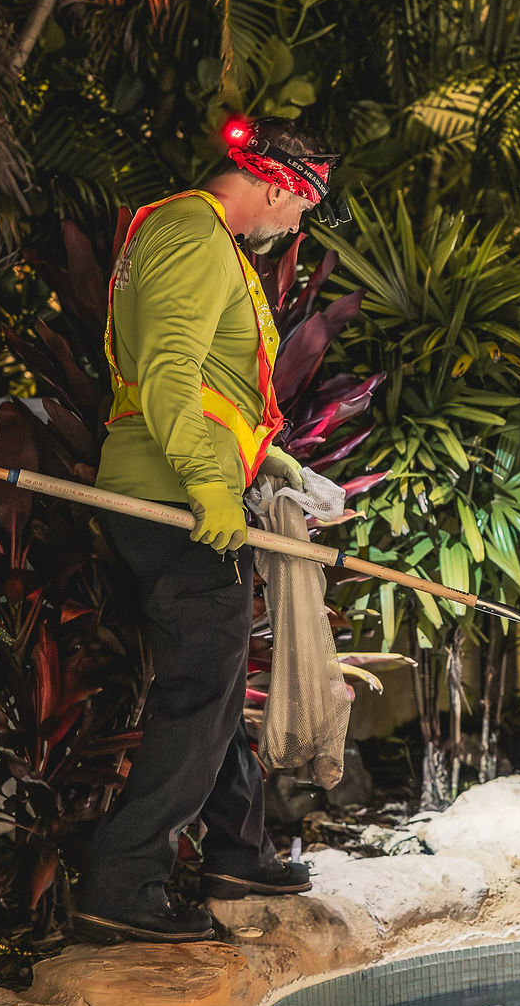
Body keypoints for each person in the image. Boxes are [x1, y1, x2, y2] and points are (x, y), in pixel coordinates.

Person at [73, 117, 338, 944]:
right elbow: (168, 371)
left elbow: (218, 385)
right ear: (278, 186)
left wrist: (272, 465)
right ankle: (119, 884)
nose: (299, 227)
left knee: (215, 686)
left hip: (199, 492)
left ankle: (236, 849)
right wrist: (205, 484)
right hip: (176, 502)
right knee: (199, 692)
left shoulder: (208, 241)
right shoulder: (191, 234)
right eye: (303, 209)